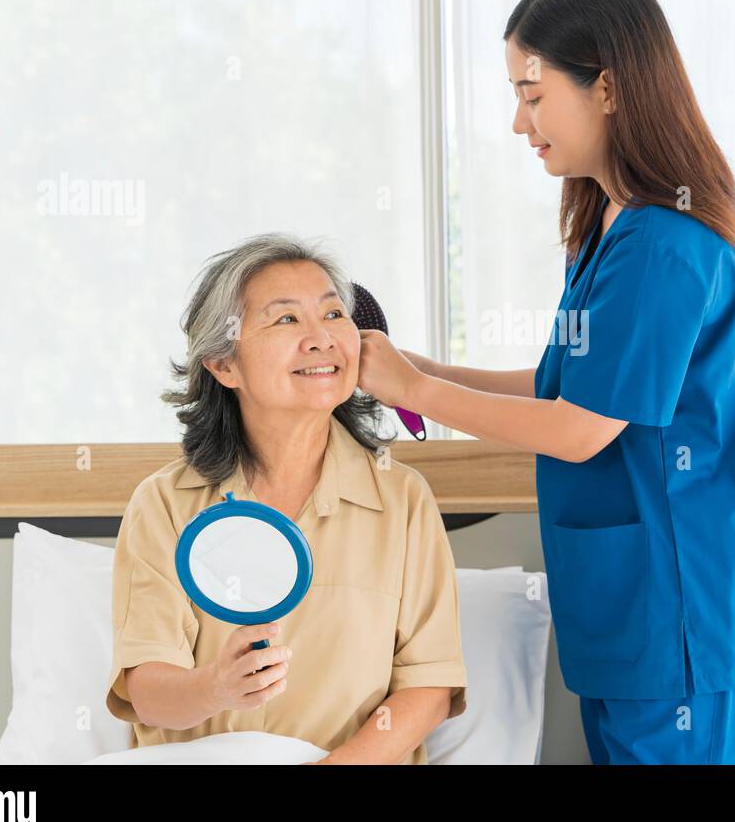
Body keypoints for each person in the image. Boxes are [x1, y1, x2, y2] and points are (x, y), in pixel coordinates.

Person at [357, 0, 735, 764]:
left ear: (610, 88)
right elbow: (565, 387)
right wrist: (419, 368)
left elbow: (580, 428)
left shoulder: (662, 246)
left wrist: (415, 390)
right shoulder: (611, 235)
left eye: (531, 92)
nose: (520, 122)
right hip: (639, 616)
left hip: (683, 620)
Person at [106, 232, 467, 765]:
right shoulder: (164, 503)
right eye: (286, 320)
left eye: (335, 314)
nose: (321, 338)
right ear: (223, 365)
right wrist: (215, 688)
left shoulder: (402, 500)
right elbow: (145, 689)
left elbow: (428, 687)